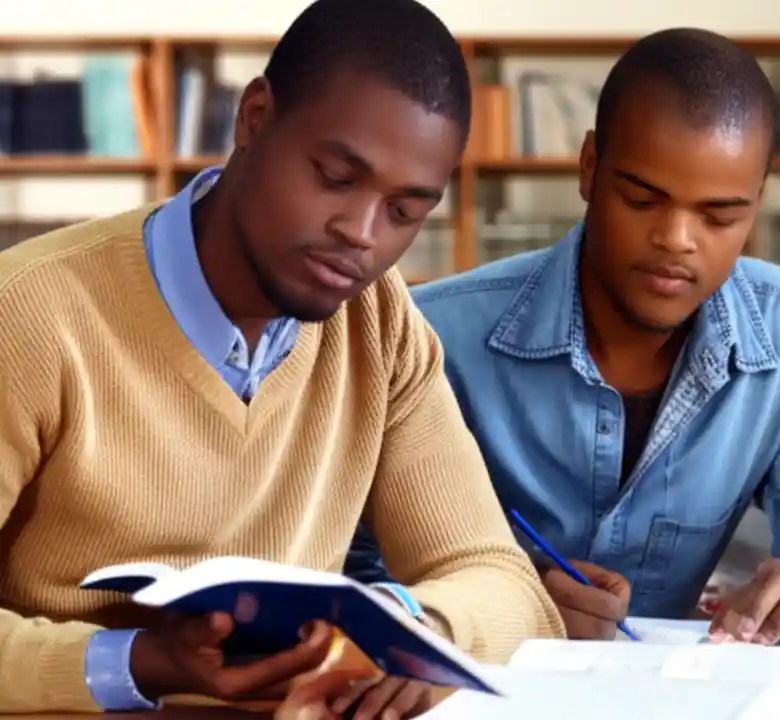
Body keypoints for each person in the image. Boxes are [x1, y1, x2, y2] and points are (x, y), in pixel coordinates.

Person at [0, 0, 563, 715]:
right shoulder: (26, 313)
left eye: (404, 212)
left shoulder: (380, 321)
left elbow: (499, 580)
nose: (361, 234)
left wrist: (403, 629)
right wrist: (139, 662)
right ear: (255, 117)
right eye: (335, 176)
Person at [346, 27, 780, 646]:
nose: (677, 239)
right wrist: (499, 600)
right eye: (642, 200)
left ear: (757, 203)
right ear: (589, 168)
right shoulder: (433, 335)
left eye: (721, 215)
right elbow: (349, 566)